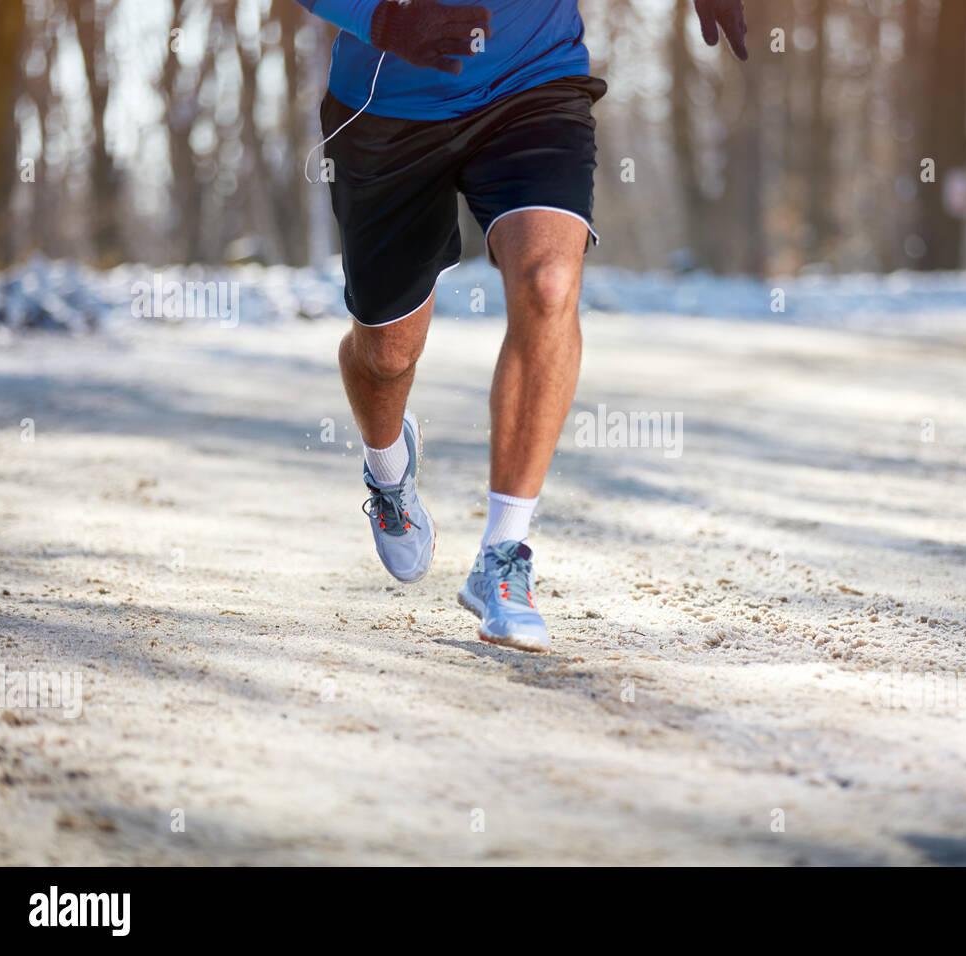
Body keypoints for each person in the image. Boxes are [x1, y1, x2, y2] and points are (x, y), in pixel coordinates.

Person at [295, 0, 748, 651]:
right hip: (388, 103)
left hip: (531, 82)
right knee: (388, 352)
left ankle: (503, 554)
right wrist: (381, 17)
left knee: (549, 284)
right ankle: (387, 467)